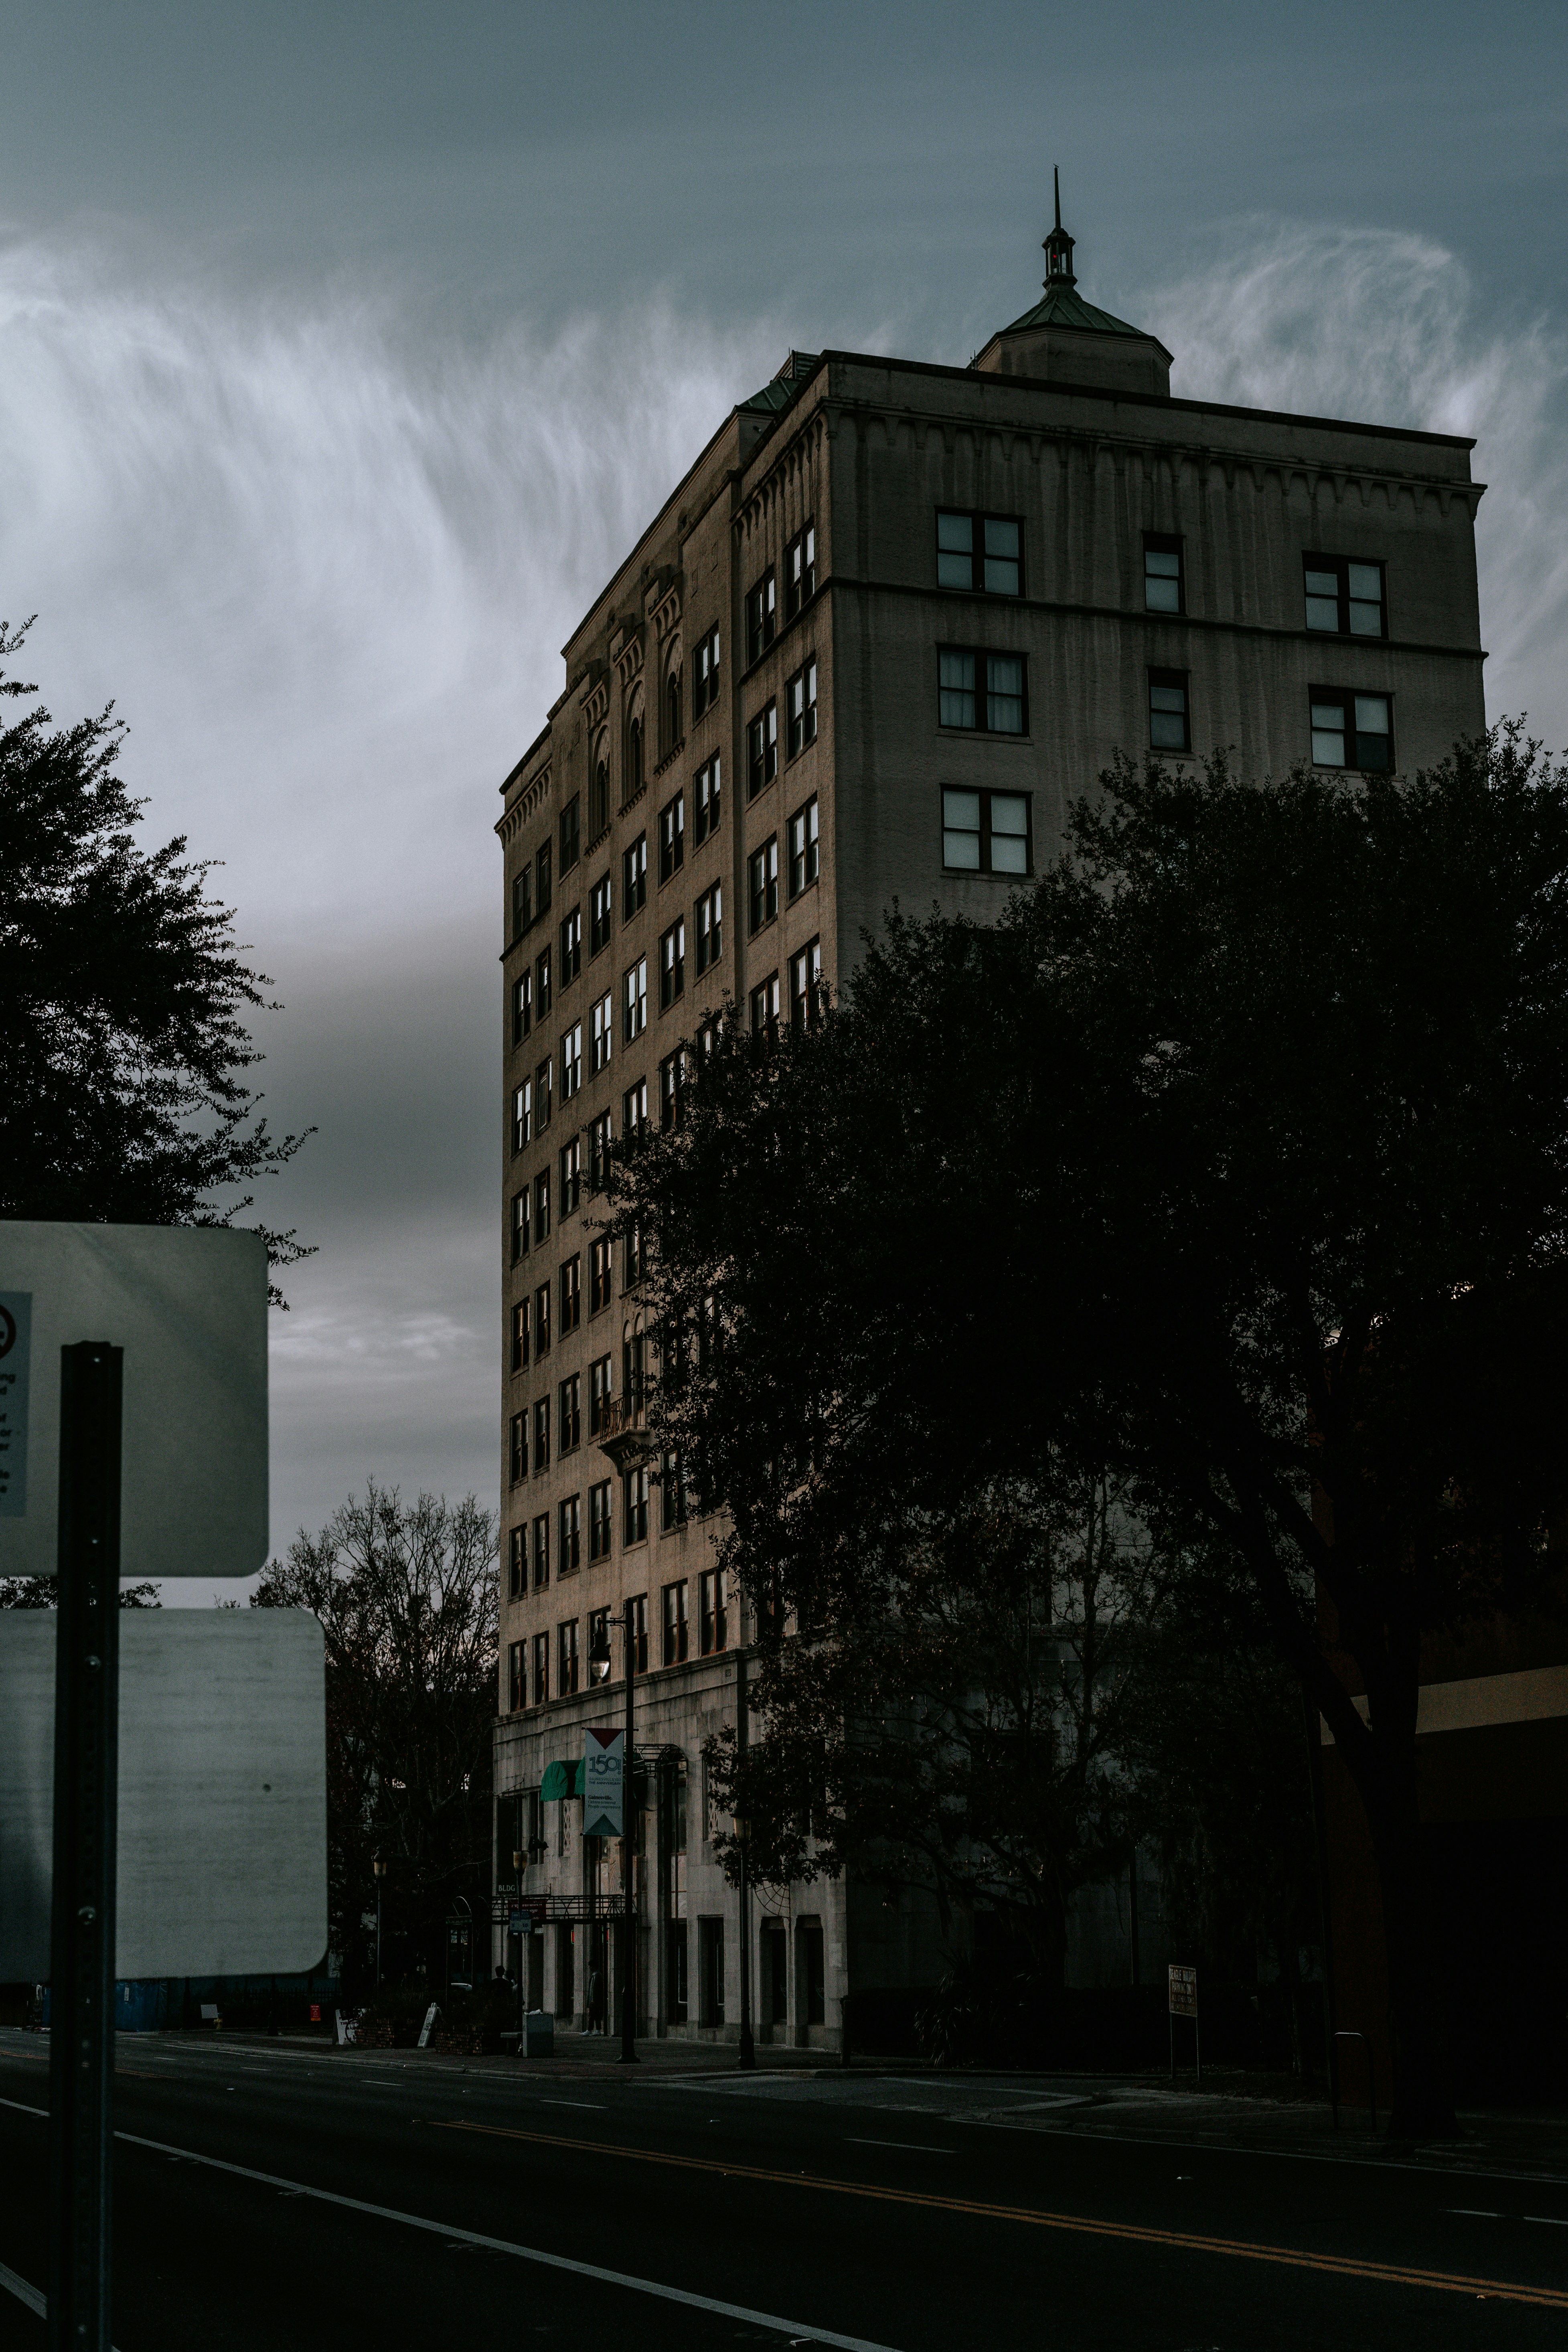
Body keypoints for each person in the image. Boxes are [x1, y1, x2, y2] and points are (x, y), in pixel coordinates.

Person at [585, 1963, 603, 2034]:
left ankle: (590, 2030)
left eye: (591, 1966)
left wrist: (593, 1999)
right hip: (595, 2000)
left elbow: (594, 1989)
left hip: (595, 2000)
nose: (590, 1968)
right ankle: (597, 2030)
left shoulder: (597, 1976)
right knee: (596, 2015)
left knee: (592, 2015)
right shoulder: (596, 1975)